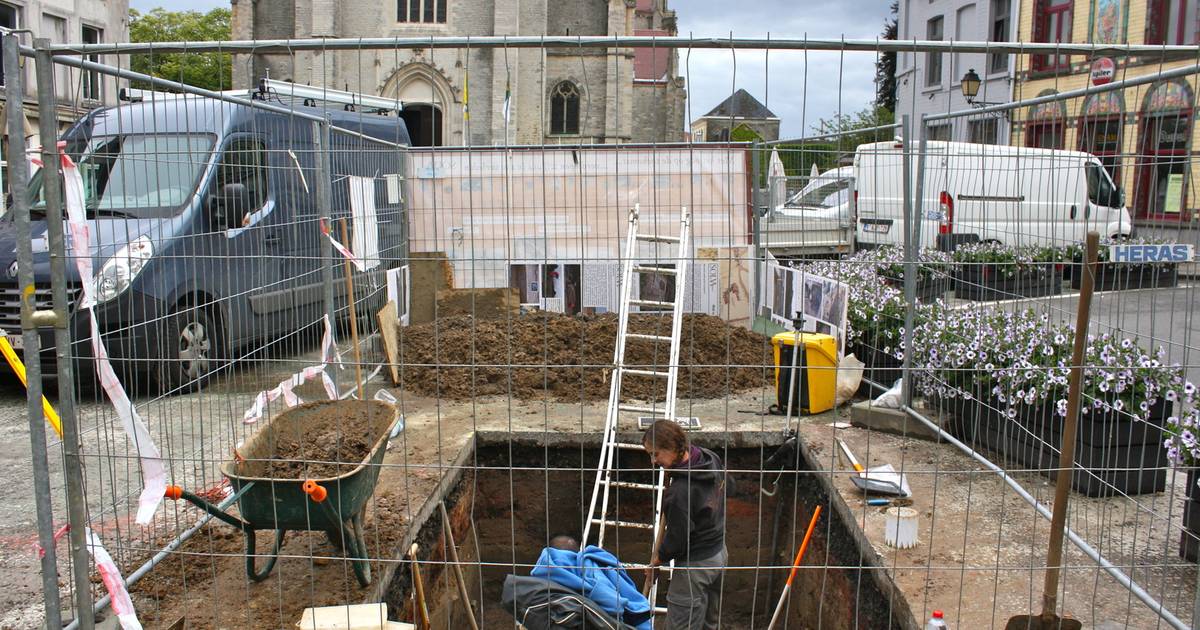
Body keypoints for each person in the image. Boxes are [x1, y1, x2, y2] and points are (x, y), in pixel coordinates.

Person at [643, 420, 727, 630]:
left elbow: (678, 539)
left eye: (656, 454)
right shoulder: (708, 458)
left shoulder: (680, 492)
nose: (653, 461)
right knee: (709, 623)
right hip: (719, 554)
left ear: (672, 447)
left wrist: (658, 560)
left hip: (695, 567)